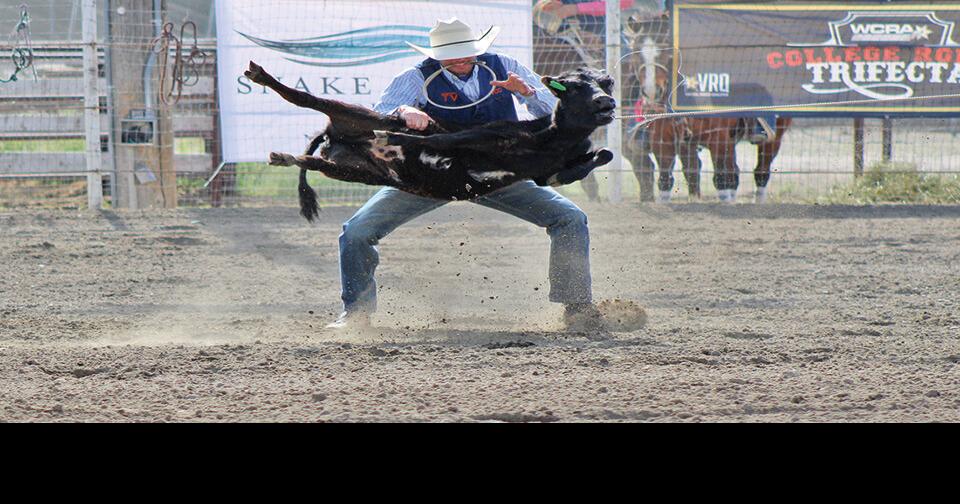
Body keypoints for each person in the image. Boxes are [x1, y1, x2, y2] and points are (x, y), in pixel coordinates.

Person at [326, 18, 606, 333]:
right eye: (452, 54)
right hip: (429, 176)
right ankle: (356, 315)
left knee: (569, 218)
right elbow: (383, 113)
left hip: (497, 173)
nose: (461, 59)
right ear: (436, 55)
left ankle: (578, 309)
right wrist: (405, 112)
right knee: (357, 232)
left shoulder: (505, 66)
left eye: (467, 52)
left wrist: (526, 92)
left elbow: (553, 114)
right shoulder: (416, 77)